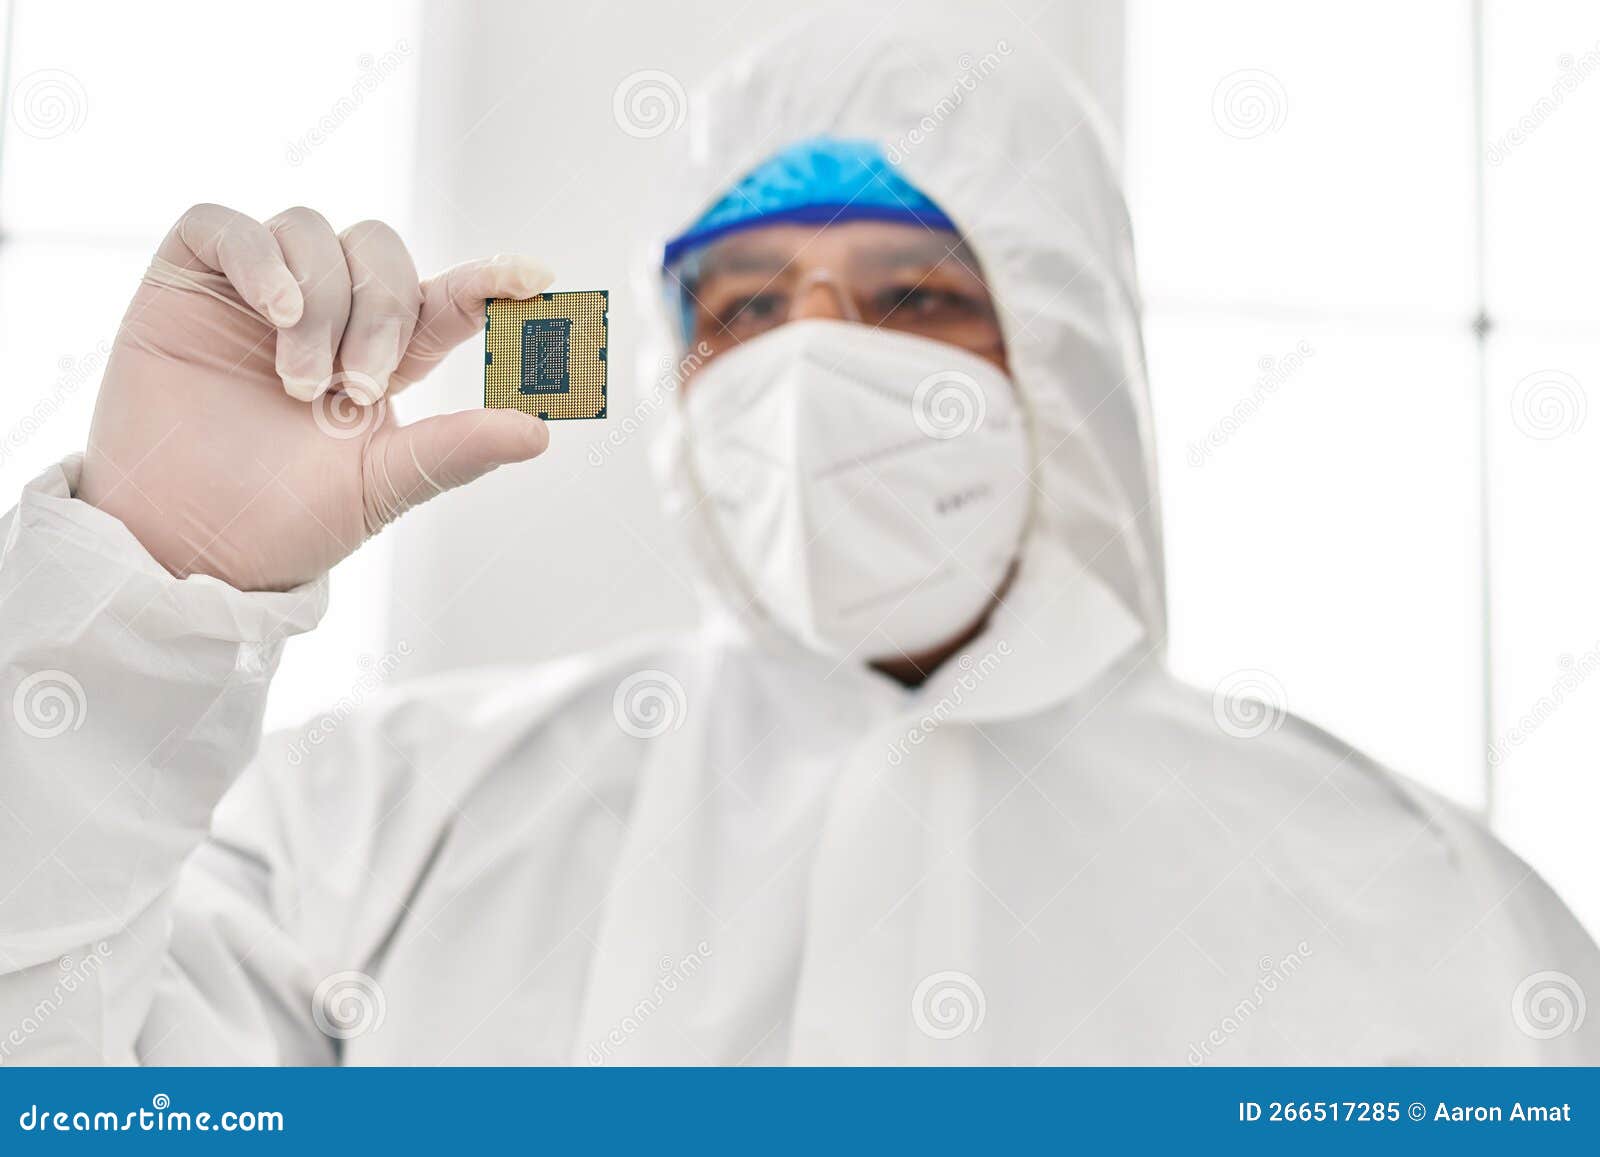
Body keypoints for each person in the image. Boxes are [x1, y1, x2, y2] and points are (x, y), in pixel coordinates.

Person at [1, 25, 1595, 1066]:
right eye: (748, 308)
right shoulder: (385, 824)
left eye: (913, 298)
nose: (811, 369)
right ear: (681, 374)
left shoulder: (1417, 904)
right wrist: (143, 599)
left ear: (1067, 356)